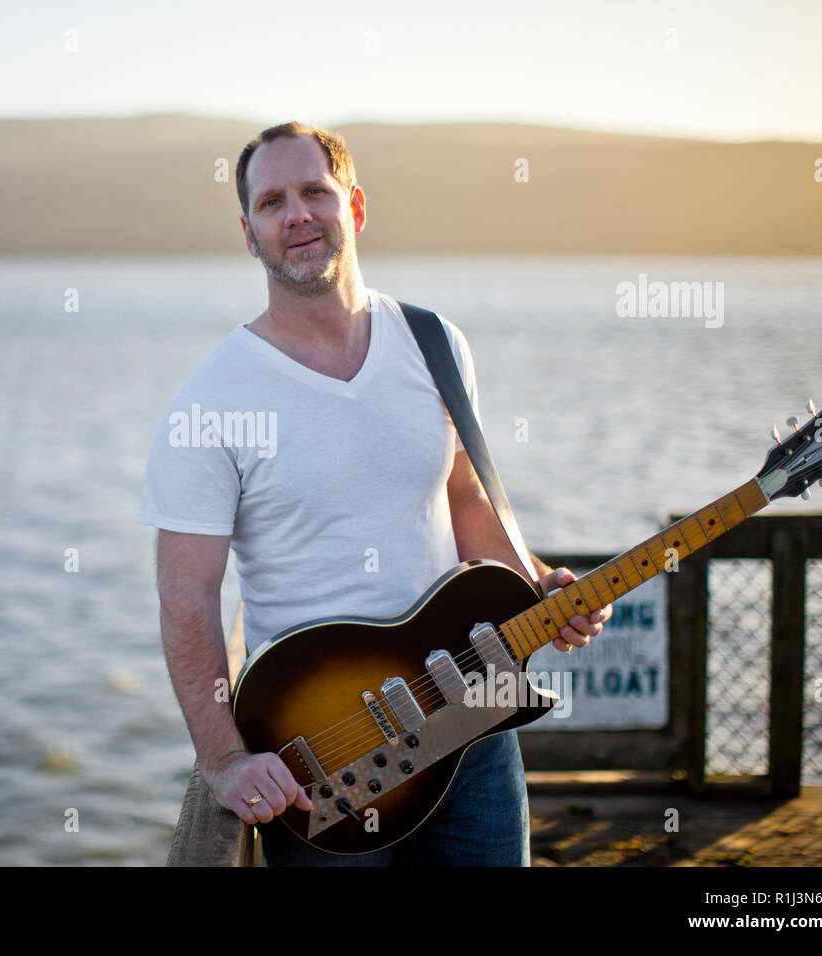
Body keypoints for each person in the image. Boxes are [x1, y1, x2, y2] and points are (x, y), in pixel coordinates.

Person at [137, 121, 612, 865]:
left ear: (354, 207)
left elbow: (463, 501)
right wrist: (226, 760)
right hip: (325, 759)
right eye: (271, 202)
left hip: (471, 714)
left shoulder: (436, 345)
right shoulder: (212, 403)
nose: (296, 214)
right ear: (249, 232)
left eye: (314, 192)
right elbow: (186, 595)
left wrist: (534, 588)